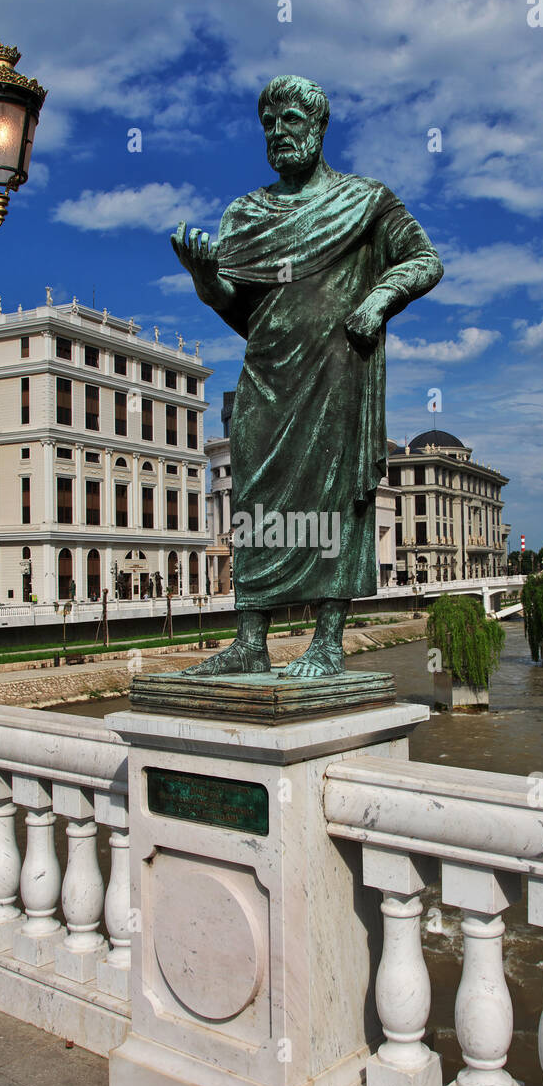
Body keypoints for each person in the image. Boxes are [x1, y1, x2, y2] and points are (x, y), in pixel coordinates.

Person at [172, 75, 443, 677]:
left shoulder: (366, 200)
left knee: (334, 499)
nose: (277, 134)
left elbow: (425, 260)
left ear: (319, 128)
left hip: (337, 373)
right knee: (256, 502)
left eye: (290, 121)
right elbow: (237, 305)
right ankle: (250, 639)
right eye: (268, 125)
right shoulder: (245, 214)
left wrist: (378, 299)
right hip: (266, 377)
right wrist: (202, 278)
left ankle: (327, 642)